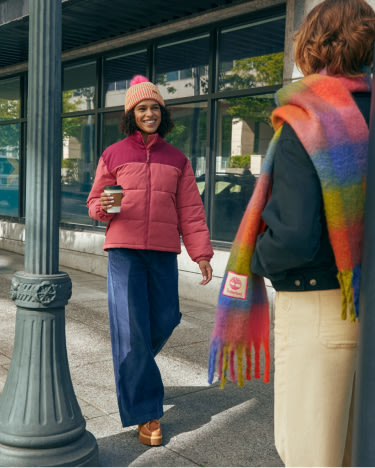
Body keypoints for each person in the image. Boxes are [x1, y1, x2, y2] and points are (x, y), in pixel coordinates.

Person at [208, 0, 375, 466]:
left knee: (310, 454)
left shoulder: (311, 118)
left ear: (311, 43)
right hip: (365, 301)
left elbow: (294, 236)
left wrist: (253, 257)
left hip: (319, 306)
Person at [87, 75, 213, 446]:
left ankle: (135, 369)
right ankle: (146, 412)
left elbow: (191, 210)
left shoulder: (176, 158)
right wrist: (105, 209)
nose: (149, 113)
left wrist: (202, 253)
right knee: (132, 330)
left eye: (154, 107)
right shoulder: (113, 154)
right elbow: (95, 203)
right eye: (142, 108)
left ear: (162, 113)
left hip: (161, 251)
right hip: (123, 250)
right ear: (131, 114)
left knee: (164, 317)